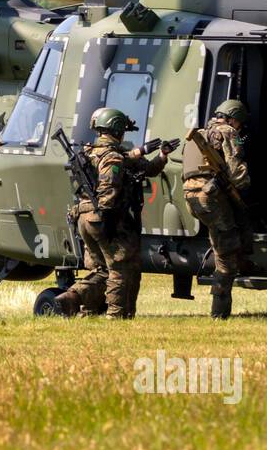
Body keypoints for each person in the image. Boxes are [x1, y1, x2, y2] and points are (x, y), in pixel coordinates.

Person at [56, 108, 169, 319]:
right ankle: (116, 315)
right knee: (120, 265)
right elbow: (108, 192)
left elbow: (140, 166)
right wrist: (109, 220)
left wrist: (160, 156)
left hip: (84, 216)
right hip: (103, 217)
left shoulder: (90, 151)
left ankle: (77, 300)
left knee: (100, 269)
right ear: (117, 129)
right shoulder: (113, 158)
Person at [182, 98, 253, 319]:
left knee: (220, 240)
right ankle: (219, 312)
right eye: (239, 123)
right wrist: (246, 184)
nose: (239, 128)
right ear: (233, 119)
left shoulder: (201, 133)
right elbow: (236, 171)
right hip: (211, 196)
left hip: (191, 196)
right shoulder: (228, 132)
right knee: (228, 254)